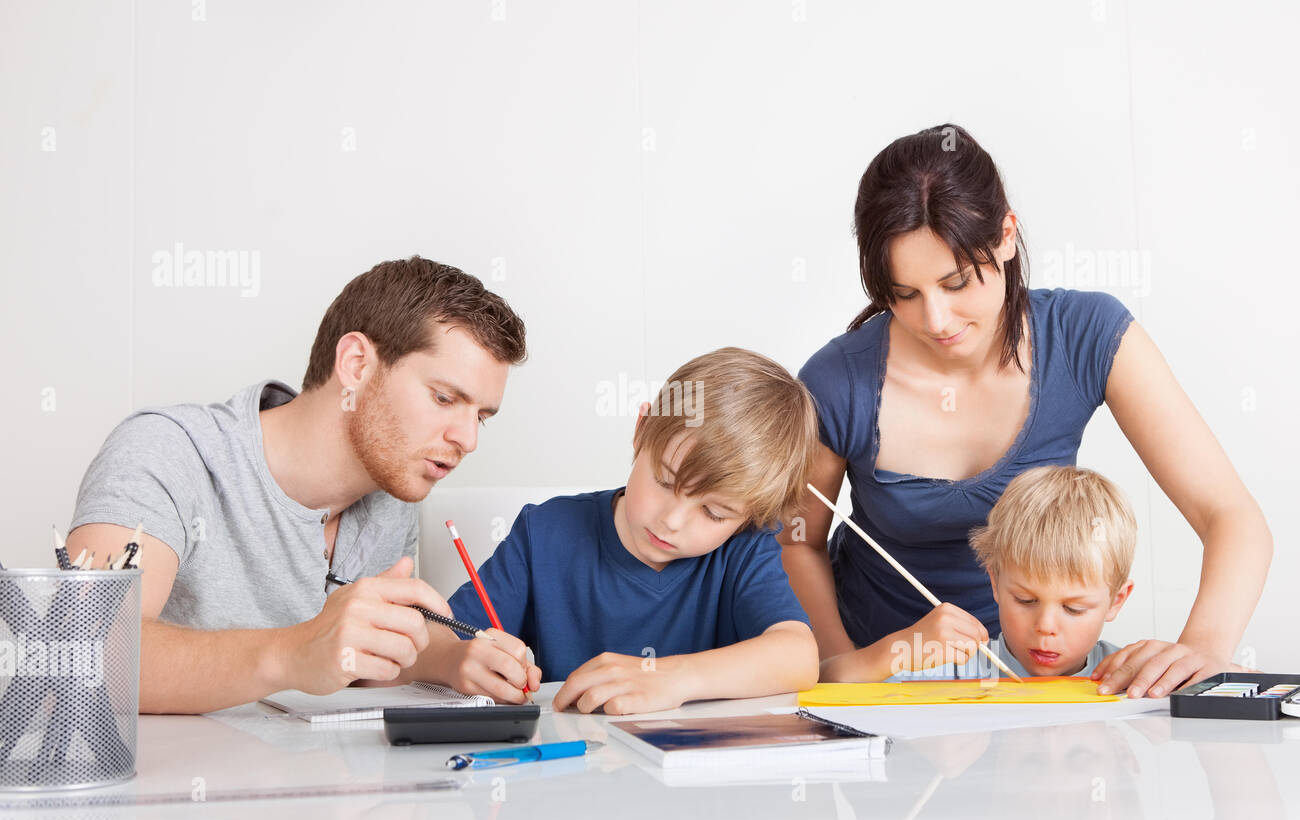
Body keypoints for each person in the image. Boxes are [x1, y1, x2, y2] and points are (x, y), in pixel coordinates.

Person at [781, 124, 1271, 698]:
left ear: (1007, 235)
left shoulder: (1087, 335)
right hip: (894, 688)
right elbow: (797, 540)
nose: (935, 320)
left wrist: (1205, 648)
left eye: (957, 281)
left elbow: (1231, 516)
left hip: (1038, 680)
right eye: (905, 294)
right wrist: (847, 668)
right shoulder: (837, 379)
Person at [67, 256, 538, 714]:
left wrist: (455, 660)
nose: (468, 439)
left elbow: (367, 654)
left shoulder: (391, 494)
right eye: (443, 397)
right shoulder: (167, 451)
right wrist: (294, 652)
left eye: (480, 416)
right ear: (356, 365)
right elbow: (88, 646)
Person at [431, 348, 821, 714]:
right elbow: (435, 637)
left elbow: (798, 656)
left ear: (750, 516)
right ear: (641, 430)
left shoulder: (744, 548)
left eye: (714, 513)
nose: (673, 520)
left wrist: (672, 678)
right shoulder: (545, 533)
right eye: (665, 482)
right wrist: (453, 661)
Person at [849, 465, 1133, 682]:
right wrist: (896, 649)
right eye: (1025, 600)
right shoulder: (955, 666)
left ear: (1117, 601)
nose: (1045, 626)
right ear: (995, 582)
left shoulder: (1129, 674)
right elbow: (829, 680)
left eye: (1074, 608)